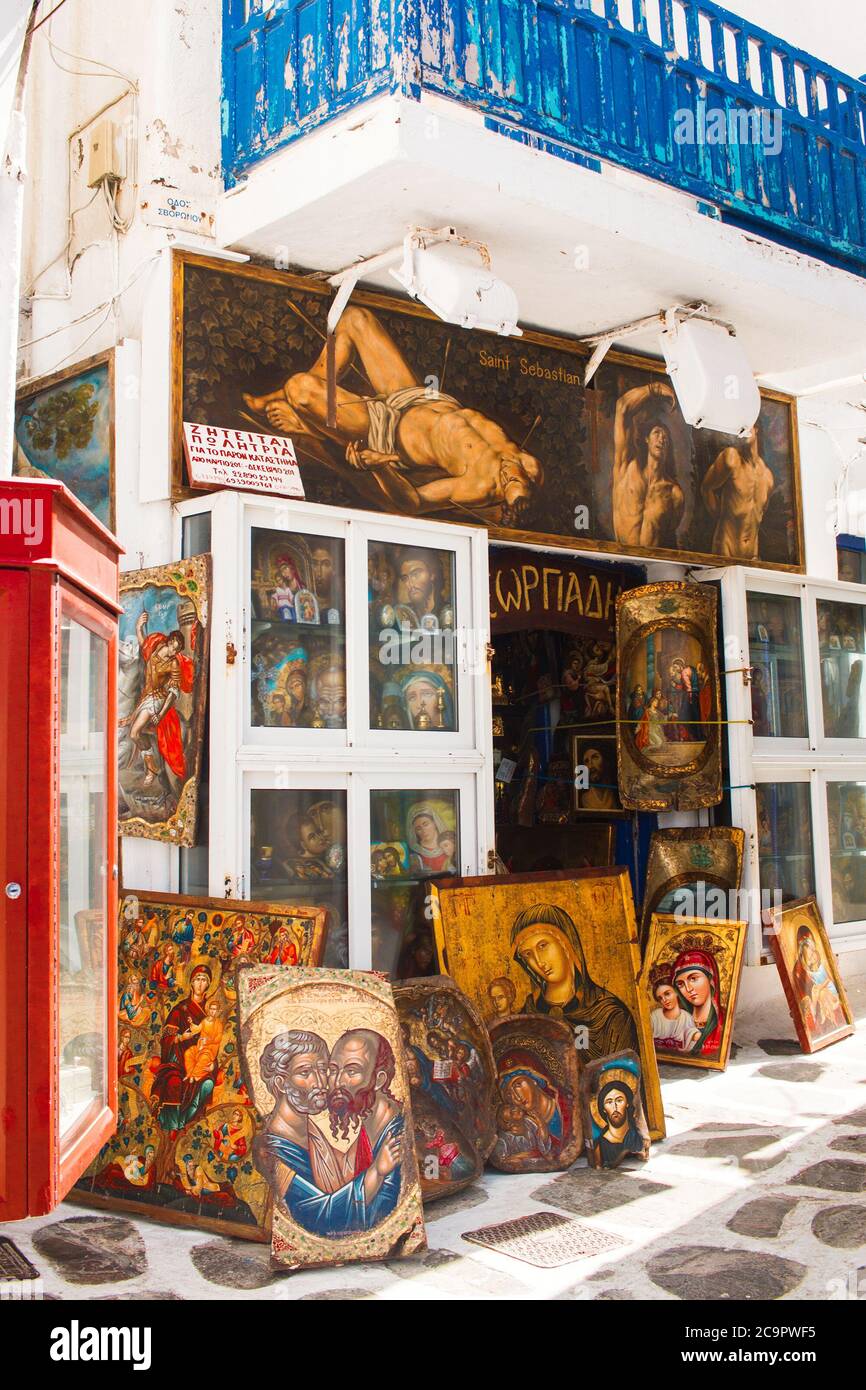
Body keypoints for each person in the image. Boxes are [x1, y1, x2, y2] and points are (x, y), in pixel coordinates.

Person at [243, 303, 543, 526]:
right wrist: (516, 488)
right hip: (418, 398)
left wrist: (382, 467)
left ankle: (303, 417)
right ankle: (298, 408)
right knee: (355, 319)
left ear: (499, 496)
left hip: (384, 427)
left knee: (301, 389)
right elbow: (518, 479)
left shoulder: (477, 487)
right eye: (514, 476)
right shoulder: (530, 466)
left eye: (506, 483)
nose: (507, 471)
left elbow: (412, 503)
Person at [256, 1029, 403, 1237]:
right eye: (305, 1073)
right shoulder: (272, 1149)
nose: (321, 1083)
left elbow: (343, 1171)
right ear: (281, 1083)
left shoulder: (311, 1134)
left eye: (323, 1070)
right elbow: (319, 1216)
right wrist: (376, 1172)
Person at [510, 902, 638, 1060]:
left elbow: (624, 1077)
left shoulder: (608, 1014)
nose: (539, 962)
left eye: (543, 946)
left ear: (566, 943)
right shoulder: (527, 1016)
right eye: (528, 954)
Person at [123, 612, 195, 794]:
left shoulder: (174, 665)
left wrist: (160, 714)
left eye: (178, 650)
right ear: (169, 642)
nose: (174, 652)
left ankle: (152, 768)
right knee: (131, 730)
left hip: (158, 699)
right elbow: (142, 645)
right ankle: (150, 764)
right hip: (146, 696)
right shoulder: (155, 649)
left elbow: (173, 693)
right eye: (174, 647)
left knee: (134, 733)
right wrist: (139, 627)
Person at [612, 380, 684, 548]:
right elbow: (622, 407)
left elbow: (668, 535)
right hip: (619, 558)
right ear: (646, 439)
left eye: (665, 436)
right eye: (657, 433)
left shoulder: (674, 493)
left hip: (651, 566)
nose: (661, 439)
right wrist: (654, 389)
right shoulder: (626, 467)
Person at [150, 964, 220, 1132]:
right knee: (174, 1082)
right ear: (191, 983)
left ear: (208, 984)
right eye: (197, 979)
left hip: (201, 1059)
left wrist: (213, 1065)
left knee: (208, 1084)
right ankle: (172, 1126)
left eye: (204, 980)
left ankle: (185, 1121)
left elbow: (214, 1043)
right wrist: (181, 1037)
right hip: (178, 1060)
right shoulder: (180, 1009)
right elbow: (167, 1038)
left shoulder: (211, 1014)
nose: (200, 984)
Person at [701, 428, 774, 560]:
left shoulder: (768, 477)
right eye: (739, 425)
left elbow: (758, 516)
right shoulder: (731, 458)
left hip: (752, 556)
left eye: (747, 424)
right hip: (726, 550)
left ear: (756, 429)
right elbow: (707, 488)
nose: (743, 429)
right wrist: (720, 517)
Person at [791, 923, 847, 1037]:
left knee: (825, 994)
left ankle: (835, 1022)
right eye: (809, 953)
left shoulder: (820, 961)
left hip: (826, 992)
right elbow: (805, 992)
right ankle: (825, 1022)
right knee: (820, 993)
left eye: (813, 949)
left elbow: (829, 977)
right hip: (814, 999)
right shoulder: (798, 970)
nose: (812, 955)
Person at [672, 948, 724, 1057]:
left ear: (710, 979)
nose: (688, 989)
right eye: (680, 984)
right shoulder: (677, 1024)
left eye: (693, 978)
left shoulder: (723, 1022)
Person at [591, 1069, 648, 1167]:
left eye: (619, 1100)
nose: (615, 1106)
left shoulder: (637, 1135)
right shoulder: (600, 1145)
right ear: (603, 1109)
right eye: (609, 1102)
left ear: (627, 1103)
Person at [649, 968, 701, 1054]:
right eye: (660, 998)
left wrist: (693, 1035)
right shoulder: (655, 1016)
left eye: (667, 994)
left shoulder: (686, 1017)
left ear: (676, 992)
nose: (664, 1000)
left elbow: (690, 1035)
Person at [182, 997, 224, 1082]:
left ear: (217, 1012)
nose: (213, 1011)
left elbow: (219, 1038)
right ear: (209, 1010)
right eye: (211, 1009)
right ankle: (189, 1074)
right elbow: (197, 1029)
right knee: (188, 1053)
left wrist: (208, 1041)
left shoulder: (218, 1024)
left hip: (209, 1051)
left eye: (215, 1009)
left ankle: (194, 1076)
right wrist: (191, 1023)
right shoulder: (204, 1021)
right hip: (199, 1048)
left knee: (203, 1059)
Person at [407, 804, 455, 873]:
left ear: (434, 823)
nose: (424, 831)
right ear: (415, 832)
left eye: (426, 824)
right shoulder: (414, 851)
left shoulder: (449, 844)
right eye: (418, 828)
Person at [579, 745, 618, 811]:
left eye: (595, 757)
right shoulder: (585, 799)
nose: (590, 766)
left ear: (606, 761)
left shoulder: (617, 794)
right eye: (586, 761)